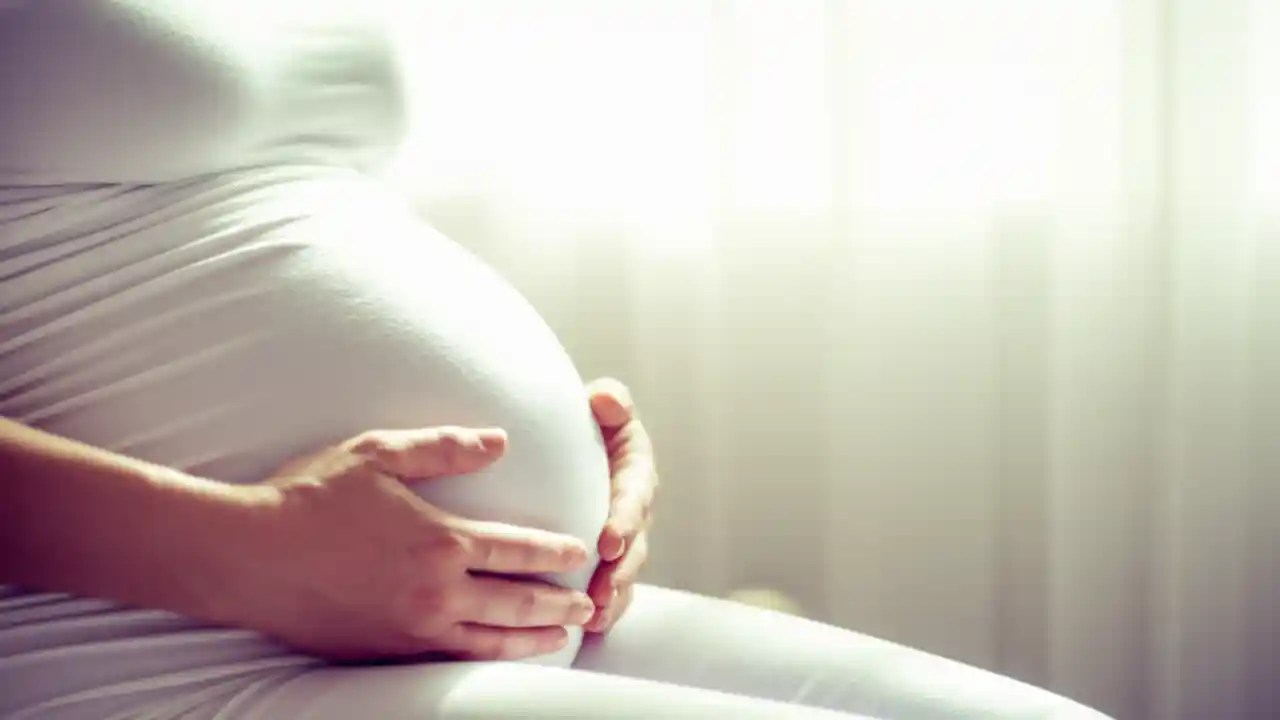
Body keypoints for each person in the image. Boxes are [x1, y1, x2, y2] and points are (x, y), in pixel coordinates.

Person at [0, 2, 1112, 718]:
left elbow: (253, 228)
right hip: (148, 653)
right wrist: (249, 553)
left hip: (479, 621)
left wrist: (572, 444)